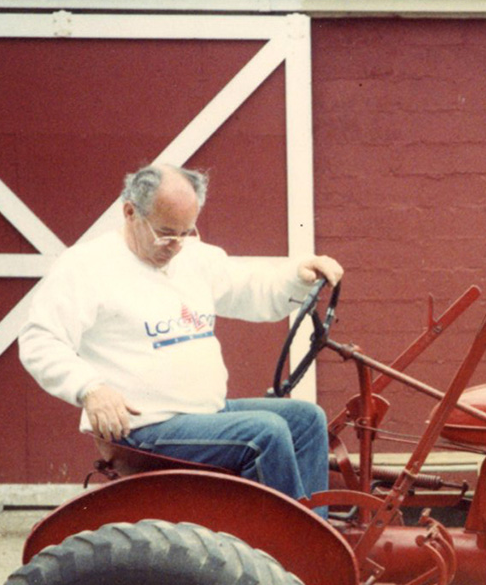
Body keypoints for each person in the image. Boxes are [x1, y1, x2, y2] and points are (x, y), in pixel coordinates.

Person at [18, 162, 344, 501]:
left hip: (203, 415)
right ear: (130, 212)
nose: (175, 245)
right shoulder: (86, 266)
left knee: (306, 419)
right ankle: (288, 543)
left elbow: (249, 290)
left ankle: (313, 531)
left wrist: (296, 276)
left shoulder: (192, 257)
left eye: (185, 232)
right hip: (145, 427)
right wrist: (90, 389)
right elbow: (40, 340)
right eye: (165, 232)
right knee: (266, 433)